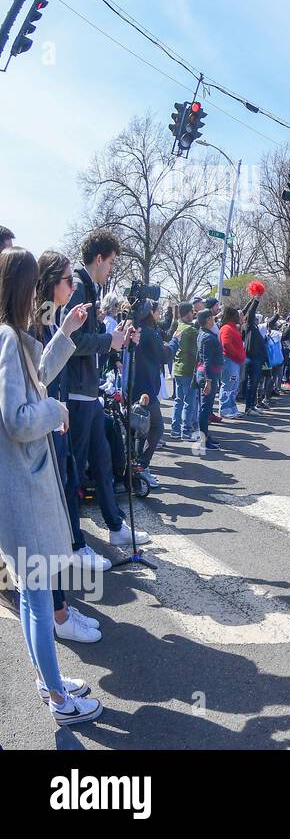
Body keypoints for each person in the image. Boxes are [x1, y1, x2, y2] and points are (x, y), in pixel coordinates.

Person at [0, 246, 103, 725]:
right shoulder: (6, 338)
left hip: (22, 487)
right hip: (22, 485)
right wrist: (55, 412)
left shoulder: (12, 336)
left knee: (31, 596)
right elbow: (19, 418)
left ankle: (50, 682)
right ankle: (59, 699)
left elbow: (36, 378)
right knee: (38, 597)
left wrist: (64, 334)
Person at [32, 251, 103, 642]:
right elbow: (32, 388)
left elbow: (44, 375)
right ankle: (57, 615)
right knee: (49, 528)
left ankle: (59, 608)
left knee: (62, 515)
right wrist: (54, 411)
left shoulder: (48, 317)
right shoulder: (28, 323)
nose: (72, 287)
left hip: (54, 426)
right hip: (41, 438)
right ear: (47, 283)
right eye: (65, 281)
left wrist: (67, 331)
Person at [63, 230, 142, 560]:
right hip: (77, 394)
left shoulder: (89, 286)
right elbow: (71, 341)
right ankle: (74, 543)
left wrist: (117, 339)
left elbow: (91, 341)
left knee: (104, 460)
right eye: (110, 262)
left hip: (89, 391)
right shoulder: (79, 286)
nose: (111, 269)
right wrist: (108, 342)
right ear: (99, 258)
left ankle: (115, 524)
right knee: (76, 470)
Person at [129, 298, 170, 489]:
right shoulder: (149, 333)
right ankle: (141, 465)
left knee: (141, 430)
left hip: (136, 384)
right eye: (158, 310)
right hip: (146, 388)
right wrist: (174, 343)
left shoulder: (138, 330)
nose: (160, 313)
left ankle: (137, 466)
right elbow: (164, 356)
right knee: (157, 427)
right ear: (150, 312)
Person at [168, 301, 199, 440]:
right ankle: (186, 431)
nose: (194, 314)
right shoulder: (191, 330)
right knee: (189, 402)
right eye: (192, 312)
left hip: (178, 369)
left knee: (178, 401)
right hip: (188, 369)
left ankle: (175, 430)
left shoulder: (178, 326)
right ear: (187, 313)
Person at [195, 309, 224, 450]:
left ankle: (205, 435)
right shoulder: (207, 337)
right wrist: (208, 381)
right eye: (212, 318)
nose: (214, 320)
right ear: (207, 320)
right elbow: (206, 360)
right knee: (205, 409)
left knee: (206, 408)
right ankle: (203, 440)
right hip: (208, 374)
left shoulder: (204, 334)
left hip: (208, 373)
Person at [217, 306, 245, 419]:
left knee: (234, 386)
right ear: (232, 316)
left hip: (235, 362)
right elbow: (226, 345)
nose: (239, 317)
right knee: (228, 385)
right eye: (237, 315)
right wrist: (237, 355)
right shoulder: (226, 328)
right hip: (229, 361)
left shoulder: (234, 328)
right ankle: (224, 409)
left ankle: (232, 408)